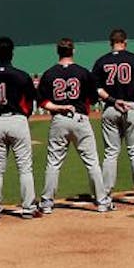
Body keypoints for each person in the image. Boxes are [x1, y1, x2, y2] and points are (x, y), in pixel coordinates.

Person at [39, 38, 111, 214]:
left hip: (58, 120)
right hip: (79, 118)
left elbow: (42, 101)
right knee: (92, 162)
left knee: (54, 163)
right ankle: (102, 201)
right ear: (73, 51)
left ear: (58, 51)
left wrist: (58, 107)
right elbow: (93, 99)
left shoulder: (49, 74)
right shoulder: (83, 72)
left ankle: (47, 203)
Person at [92, 28, 134, 205]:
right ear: (125, 42)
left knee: (111, 153)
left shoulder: (101, 62)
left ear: (110, 43)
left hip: (111, 107)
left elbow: (96, 89)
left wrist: (112, 99)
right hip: (131, 106)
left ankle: (105, 194)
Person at [0, 36, 40, 218]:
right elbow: (32, 98)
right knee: (25, 167)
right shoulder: (21, 75)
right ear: (12, 53)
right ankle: (28, 208)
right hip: (17, 120)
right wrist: (26, 114)